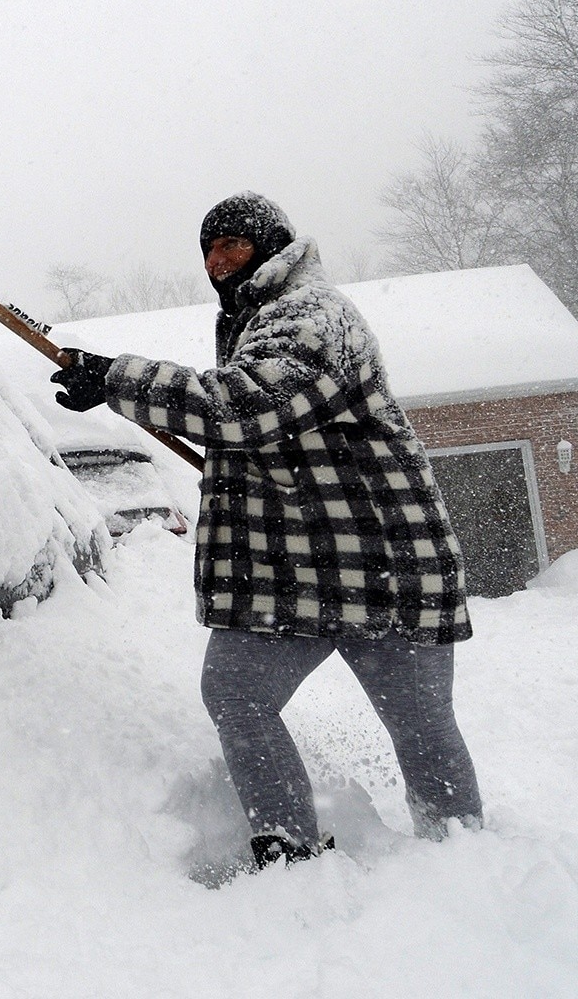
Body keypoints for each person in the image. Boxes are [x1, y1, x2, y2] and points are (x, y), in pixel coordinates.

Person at [49, 192, 482, 870]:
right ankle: (288, 847)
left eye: (234, 246)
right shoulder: (255, 320)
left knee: (421, 726)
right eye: (209, 249)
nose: (218, 261)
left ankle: (469, 857)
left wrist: (117, 378)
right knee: (237, 693)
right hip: (298, 569)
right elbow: (257, 425)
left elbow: (252, 406)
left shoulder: (313, 314)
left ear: (271, 245)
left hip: (383, 563)